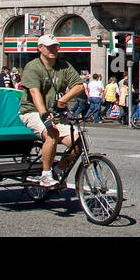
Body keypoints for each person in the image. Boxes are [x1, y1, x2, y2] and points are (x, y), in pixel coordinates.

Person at [17, 34, 86, 188]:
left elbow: (79, 86)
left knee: (78, 142)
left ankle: (58, 169)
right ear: (40, 48)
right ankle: (46, 175)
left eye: (55, 46)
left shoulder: (64, 66)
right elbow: (34, 93)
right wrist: (44, 114)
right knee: (51, 133)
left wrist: (63, 100)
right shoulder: (33, 67)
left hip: (54, 113)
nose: (53, 49)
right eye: (49, 47)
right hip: (32, 111)